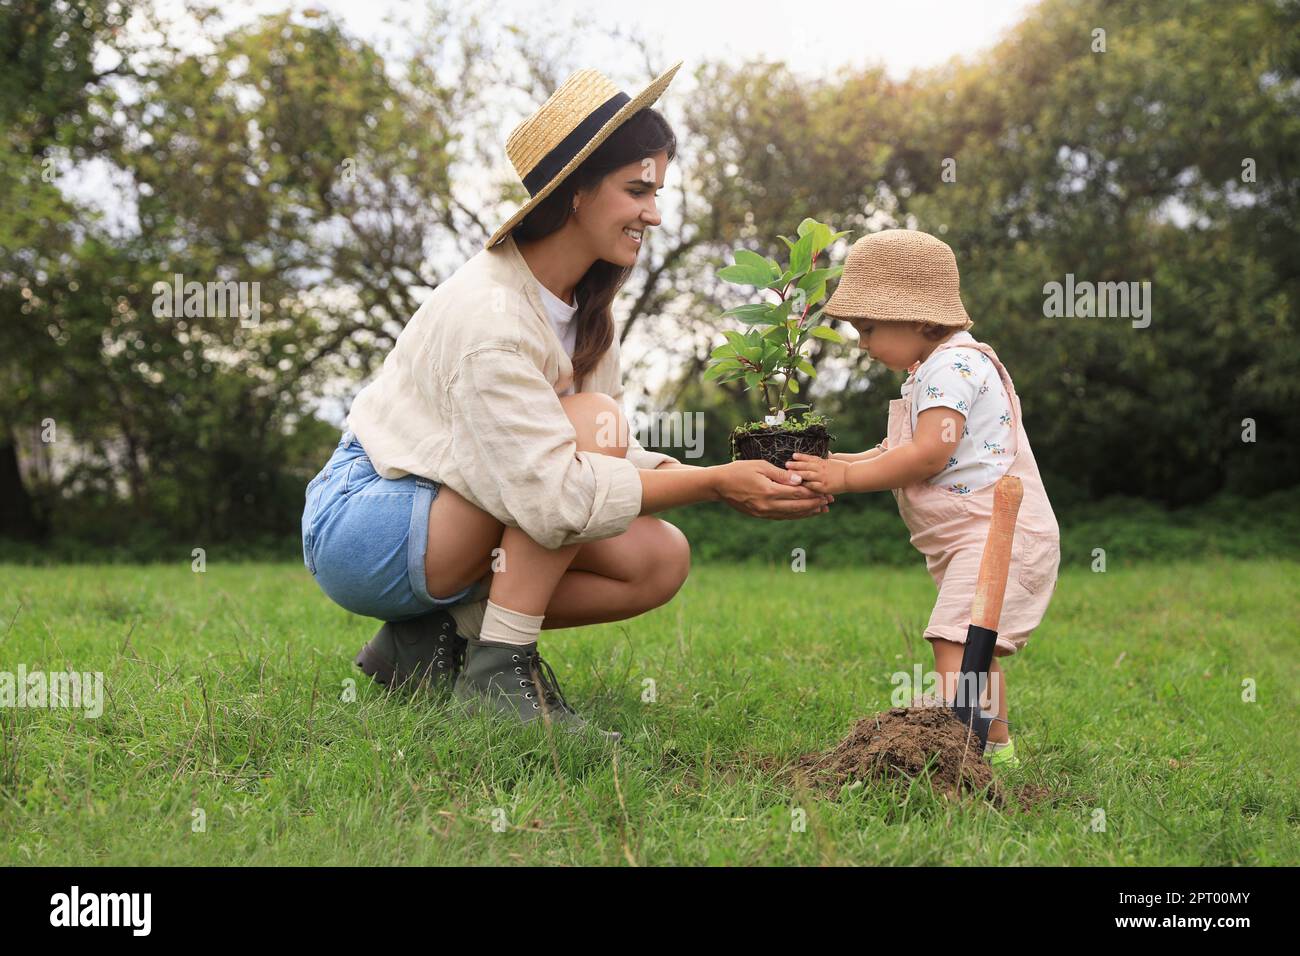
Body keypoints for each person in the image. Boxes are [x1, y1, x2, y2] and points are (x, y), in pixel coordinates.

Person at [301, 63, 832, 741]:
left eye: (658, 191)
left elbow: (603, 458)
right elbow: (555, 492)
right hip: (367, 520)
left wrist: (730, 483)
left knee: (659, 558)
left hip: (452, 513)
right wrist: (712, 484)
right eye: (637, 190)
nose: (655, 213)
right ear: (576, 192)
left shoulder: (585, 308)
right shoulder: (491, 314)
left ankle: (430, 643)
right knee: (590, 426)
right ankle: (501, 670)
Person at [784, 229, 1060, 768]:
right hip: (973, 535)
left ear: (918, 320)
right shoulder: (932, 372)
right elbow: (895, 451)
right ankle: (996, 753)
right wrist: (838, 464)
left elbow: (929, 455)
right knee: (971, 646)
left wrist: (842, 481)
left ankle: (959, 754)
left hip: (1000, 532)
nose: (862, 343)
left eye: (867, 329)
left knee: (951, 641)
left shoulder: (952, 369)